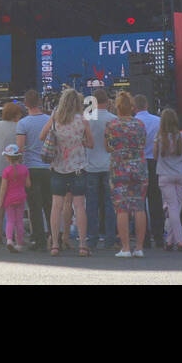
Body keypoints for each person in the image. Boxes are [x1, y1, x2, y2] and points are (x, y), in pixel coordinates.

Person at [41, 89, 93, 256]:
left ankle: (55, 244)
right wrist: (79, 141)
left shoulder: (56, 118)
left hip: (58, 167)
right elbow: (91, 144)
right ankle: (83, 245)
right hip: (78, 166)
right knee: (79, 206)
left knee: (56, 206)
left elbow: (42, 136)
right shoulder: (82, 120)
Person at [106, 91, 148, 257]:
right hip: (139, 167)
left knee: (121, 208)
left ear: (117, 107)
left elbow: (107, 146)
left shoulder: (112, 125)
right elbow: (143, 144)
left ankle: (125, 248)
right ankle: (139, 248)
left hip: (119, 167)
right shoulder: (140, 125)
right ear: (132, 107)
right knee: (139, 206)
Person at [14, 90, 53, 251]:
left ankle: (38, 239)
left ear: (25, 104)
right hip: (48, 167)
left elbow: (20, 148)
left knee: (34, 206)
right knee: (50, 205)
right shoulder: (49, 120)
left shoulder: (22, 123)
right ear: (39, 102)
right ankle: (53, 235)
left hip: (30, 168)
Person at [0, 101, 24, 246]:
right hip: (13, 169)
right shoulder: (19, 126)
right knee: (15, 201)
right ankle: (15, 233)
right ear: (16, 115)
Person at [85, 87, 116, 250]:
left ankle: (92, 238)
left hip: (91, 166)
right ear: (108, 101)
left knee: (91, 204)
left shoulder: (87, 118)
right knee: (110, 204)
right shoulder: (113, 119)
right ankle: (110, 238)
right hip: (109, 164)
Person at [134, 94, 164, 249]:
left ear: (135, 107)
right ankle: (159, 236)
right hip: (154, 161)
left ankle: (143, 238)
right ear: (147, 105)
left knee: (140, 202)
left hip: (138, 161)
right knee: (156, 199)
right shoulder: (158, 121)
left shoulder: (134, 123)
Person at [155, 108, 182, 251]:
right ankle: (170, 240)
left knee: (172, 208)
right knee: (176, 208)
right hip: (180, 174)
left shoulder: (159, 138)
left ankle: (179, 241)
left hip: (165, 175)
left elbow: (155, 156)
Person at [0, 144, 30, 253]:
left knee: (10, 220)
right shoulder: (24, 169)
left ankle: (9, 240)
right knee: (19, 221)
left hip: (9, 199)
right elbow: (28, 184)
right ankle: (19, 243)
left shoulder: (6, 171)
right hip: (21, 198)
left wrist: (0, 202)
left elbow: (3, 188)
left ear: (8, 158)